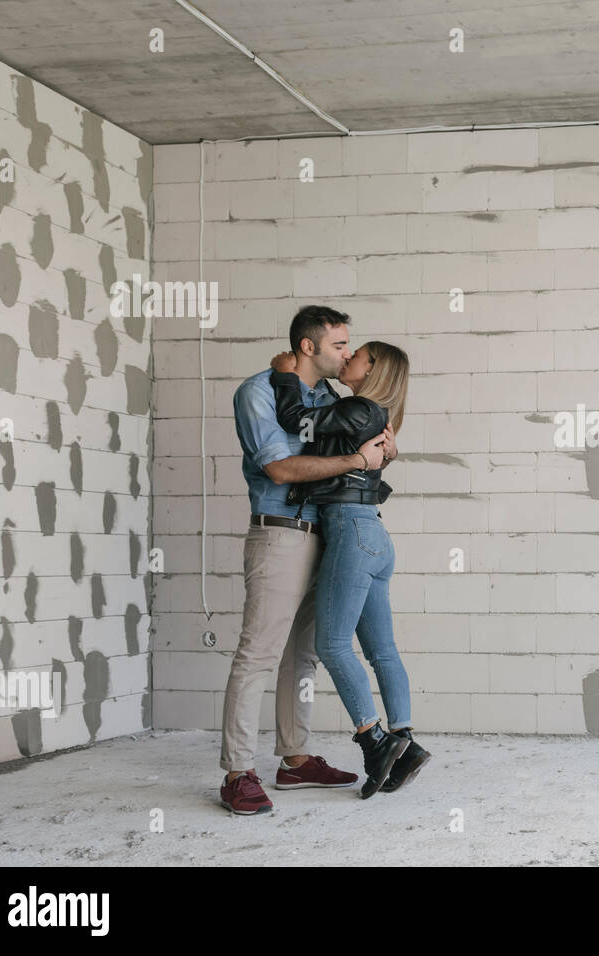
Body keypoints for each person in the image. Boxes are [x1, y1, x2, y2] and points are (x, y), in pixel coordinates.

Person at [219, 306, 393, 815]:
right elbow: (278, 467)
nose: (348, 354)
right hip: (282, 535)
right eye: (341, 345)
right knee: (259, 654)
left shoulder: (330, 398)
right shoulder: (258, 391)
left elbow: (361, 447)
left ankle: (294, 760)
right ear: (309, 347)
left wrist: (384, 445)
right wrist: (360, 460)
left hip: (330, 535)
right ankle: (237, 772)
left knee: (304, 655)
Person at [269, 340, 429, 798]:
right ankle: (405, 741)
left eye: (354, 353)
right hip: (374, 537)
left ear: (372, 366)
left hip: (352, 532)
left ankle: (373, 741)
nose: (346, 358)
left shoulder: (361, 408)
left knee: (332, 644)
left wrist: (284, 375)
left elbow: (297, 423)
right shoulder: (369, 412)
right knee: (382, 651)